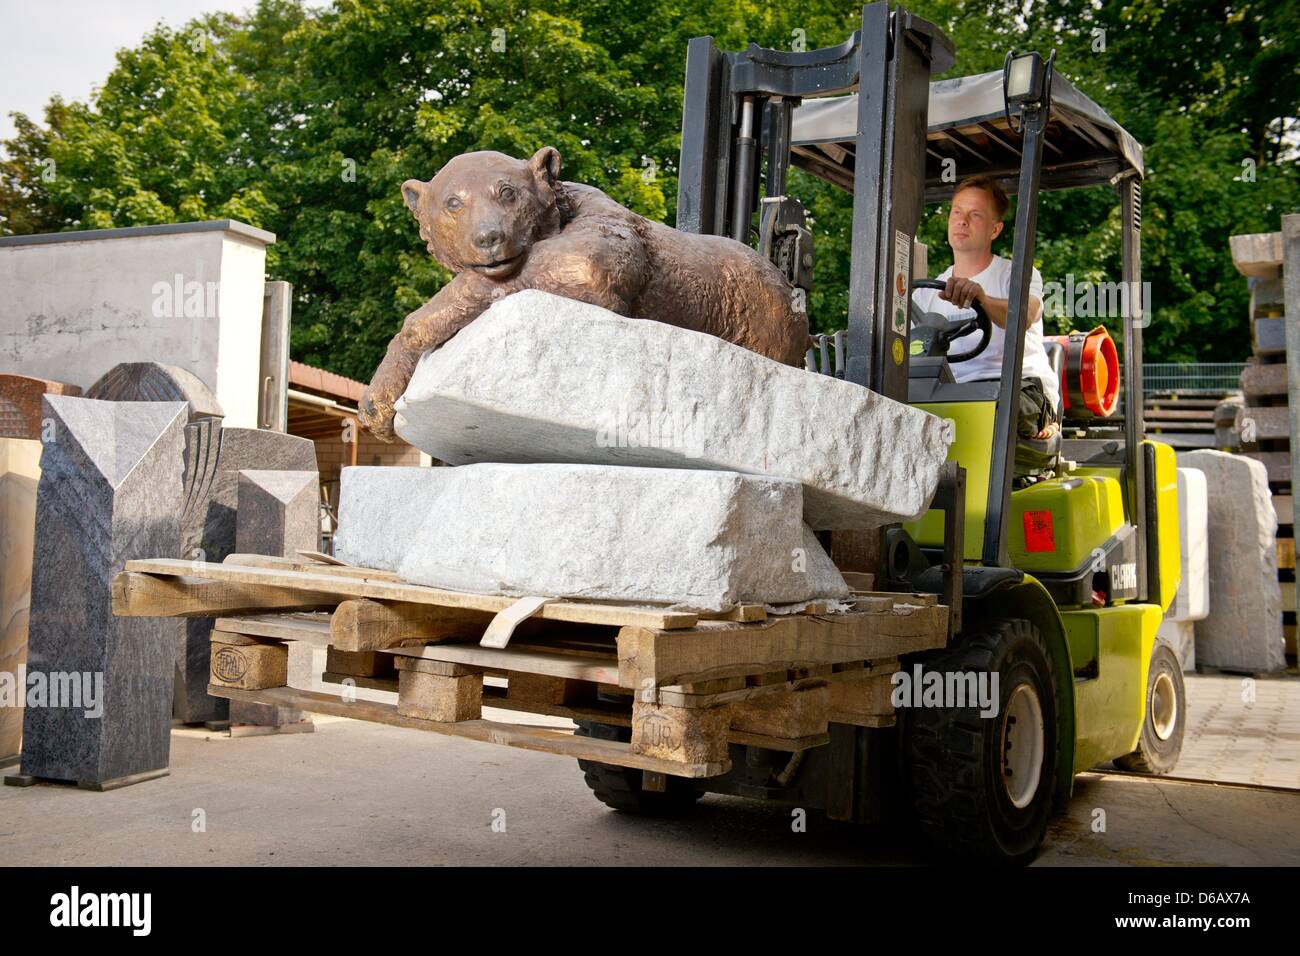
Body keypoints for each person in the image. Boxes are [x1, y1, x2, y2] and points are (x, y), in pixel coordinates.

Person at [911, 175, 1060, 440]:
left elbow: (1024, 315)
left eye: (975, 214)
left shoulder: (1017, 274)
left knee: (996, 412)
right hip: (953, 392)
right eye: (956, 212)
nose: (962, 220)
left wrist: (983, 300)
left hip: (1018, 390)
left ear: (995, 230)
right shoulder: (925, 293)